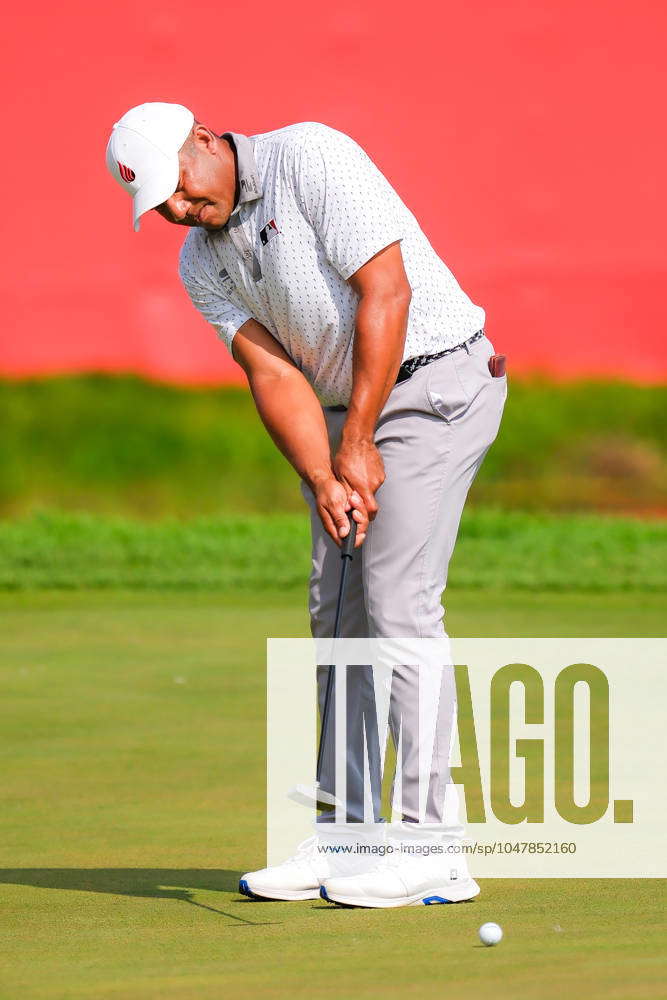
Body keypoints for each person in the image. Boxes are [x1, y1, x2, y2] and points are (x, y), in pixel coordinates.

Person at [106, 102, 507, 909]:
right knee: (335, 613)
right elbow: (274, 375)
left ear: (204, 139)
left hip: (433, 385)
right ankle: (347, 836)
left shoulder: (311, 157)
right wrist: (325, 475)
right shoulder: (199, 263)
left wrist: (358, 439)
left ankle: (434, 849)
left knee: (396, 604)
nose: (181, 209)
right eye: (163, 206)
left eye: (180, 185)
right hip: (338, 410)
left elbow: (384, 292)